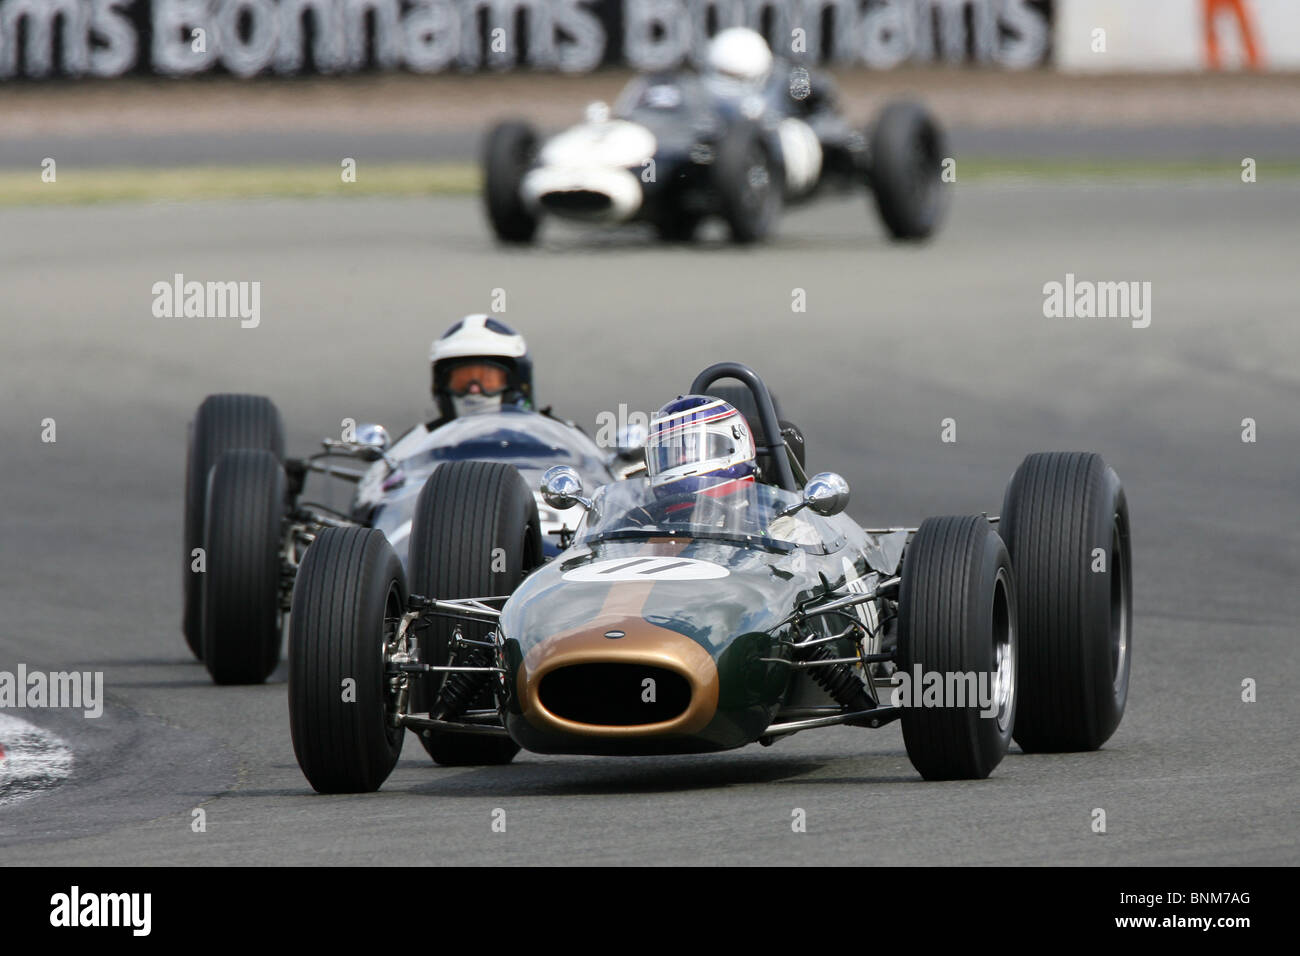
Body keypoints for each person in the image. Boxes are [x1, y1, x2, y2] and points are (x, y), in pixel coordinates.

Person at [428, 314, 534, 425]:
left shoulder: (544, 437)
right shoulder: (422, 439)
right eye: (461, 382)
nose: (474, 390)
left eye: (487, 380)